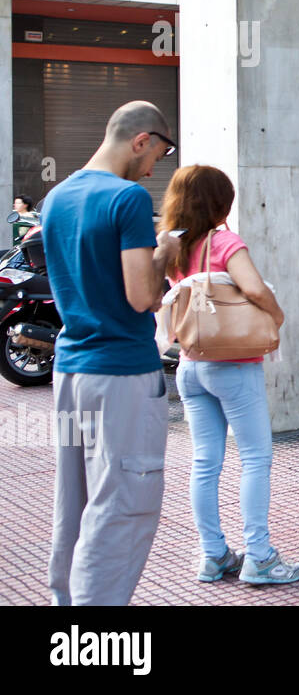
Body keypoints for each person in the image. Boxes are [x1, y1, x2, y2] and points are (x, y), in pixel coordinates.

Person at [43, 101, 180, 606]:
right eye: (157, 156)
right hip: (121, 373)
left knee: (75, 500)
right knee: (124, 503)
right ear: (141, 140)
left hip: (71, 369)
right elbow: (141, 296)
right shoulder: (127, 199)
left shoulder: (56, 198)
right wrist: (164, 250)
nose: (153, 169)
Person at [158, 164, 299, 584]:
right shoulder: (224, 241)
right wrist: (276, 316)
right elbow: (254, 288)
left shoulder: (172, 247)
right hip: (233, 366)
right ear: (220, 203)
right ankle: (259, 557)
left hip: (189, 366)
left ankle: (213, 555)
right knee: (255, 457)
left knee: (205, 463)